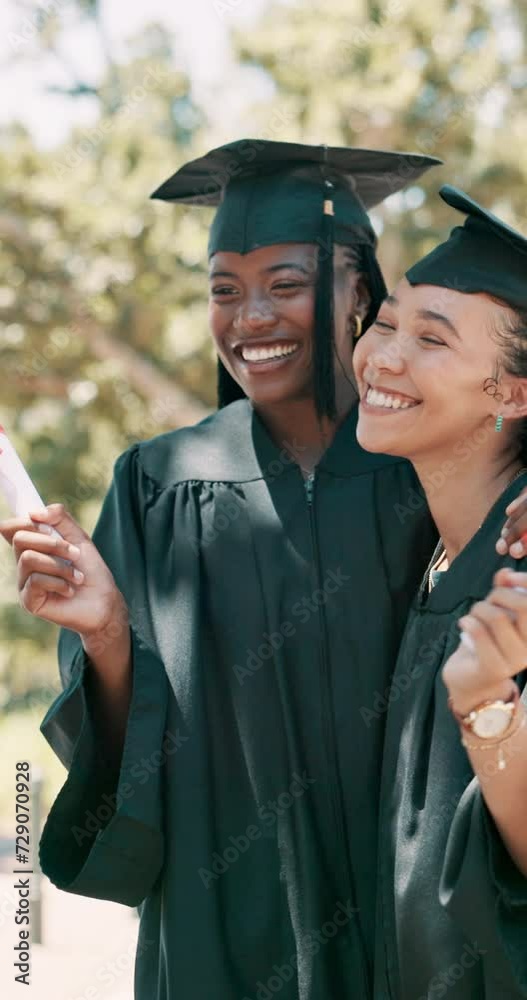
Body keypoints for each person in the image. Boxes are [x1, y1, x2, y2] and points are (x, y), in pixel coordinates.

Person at [0, 141, 517, 999]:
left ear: (361, 291)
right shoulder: (159, 482)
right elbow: (133, 754)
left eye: (285, 284)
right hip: (222, 925)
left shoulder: (428, 461)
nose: (250, 318)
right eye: (222, 290)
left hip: (411, 920)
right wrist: (107, 637)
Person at [353, 184, 527, 998]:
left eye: (432, 339)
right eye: (386, 322)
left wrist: (489, 706)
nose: (382, 356)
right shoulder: (428, 554)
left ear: (514, 392)